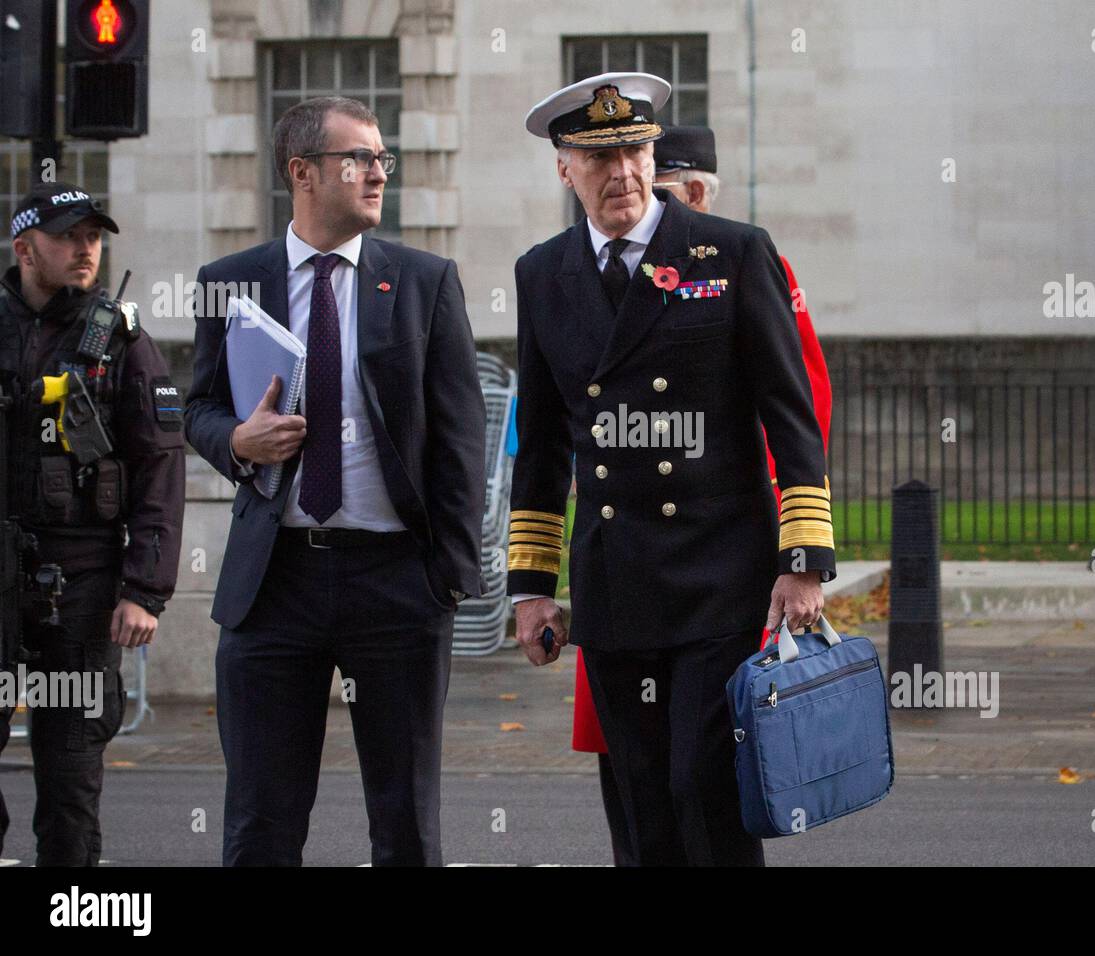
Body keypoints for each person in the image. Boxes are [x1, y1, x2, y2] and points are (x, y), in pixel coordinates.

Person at [509, 73, 835, 866]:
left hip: (717, 572)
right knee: (640, 800)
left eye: (634, 151)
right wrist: (531, 588)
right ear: (564, 169)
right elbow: (546, 442)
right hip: (616, 580)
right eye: (598, 157)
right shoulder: (542, 272)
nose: (621, 173)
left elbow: (790, 418)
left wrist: (804, 562)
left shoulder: (730, 250)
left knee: (706, 787)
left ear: (655, 154)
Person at [184, 96, 486, 866]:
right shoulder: (231, 281)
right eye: (359, 158)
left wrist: (445, 579)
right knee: (260, 822)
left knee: (407, 825)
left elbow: (459, 440)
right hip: (273, 583)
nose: (379, 172)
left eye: (384, 157)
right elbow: (198, 411)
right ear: (303, 173)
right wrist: (239, 442)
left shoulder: (424, 282)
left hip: (395, 584)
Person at [0, 181, 185, 866]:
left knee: (71, 773)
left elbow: (161, 465)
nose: (86, 250)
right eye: (68, 236)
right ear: (25, 247)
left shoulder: (121, 340)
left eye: (94, 236)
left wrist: (146, 587)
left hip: (80, 581)